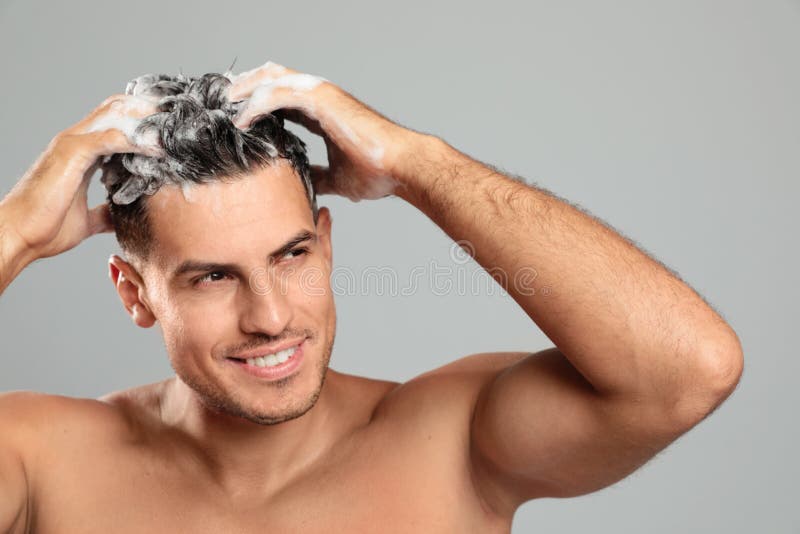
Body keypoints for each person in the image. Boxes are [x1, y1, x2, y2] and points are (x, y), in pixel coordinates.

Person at [0, 60, 743, 533]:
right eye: (214, 277)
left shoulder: (449, 446)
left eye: (292, 256)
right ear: (135, 293)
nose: (271, 317)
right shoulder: (41, 463)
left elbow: (688, 371)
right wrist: (17, 233)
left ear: (326, 243)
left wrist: (421, 164)